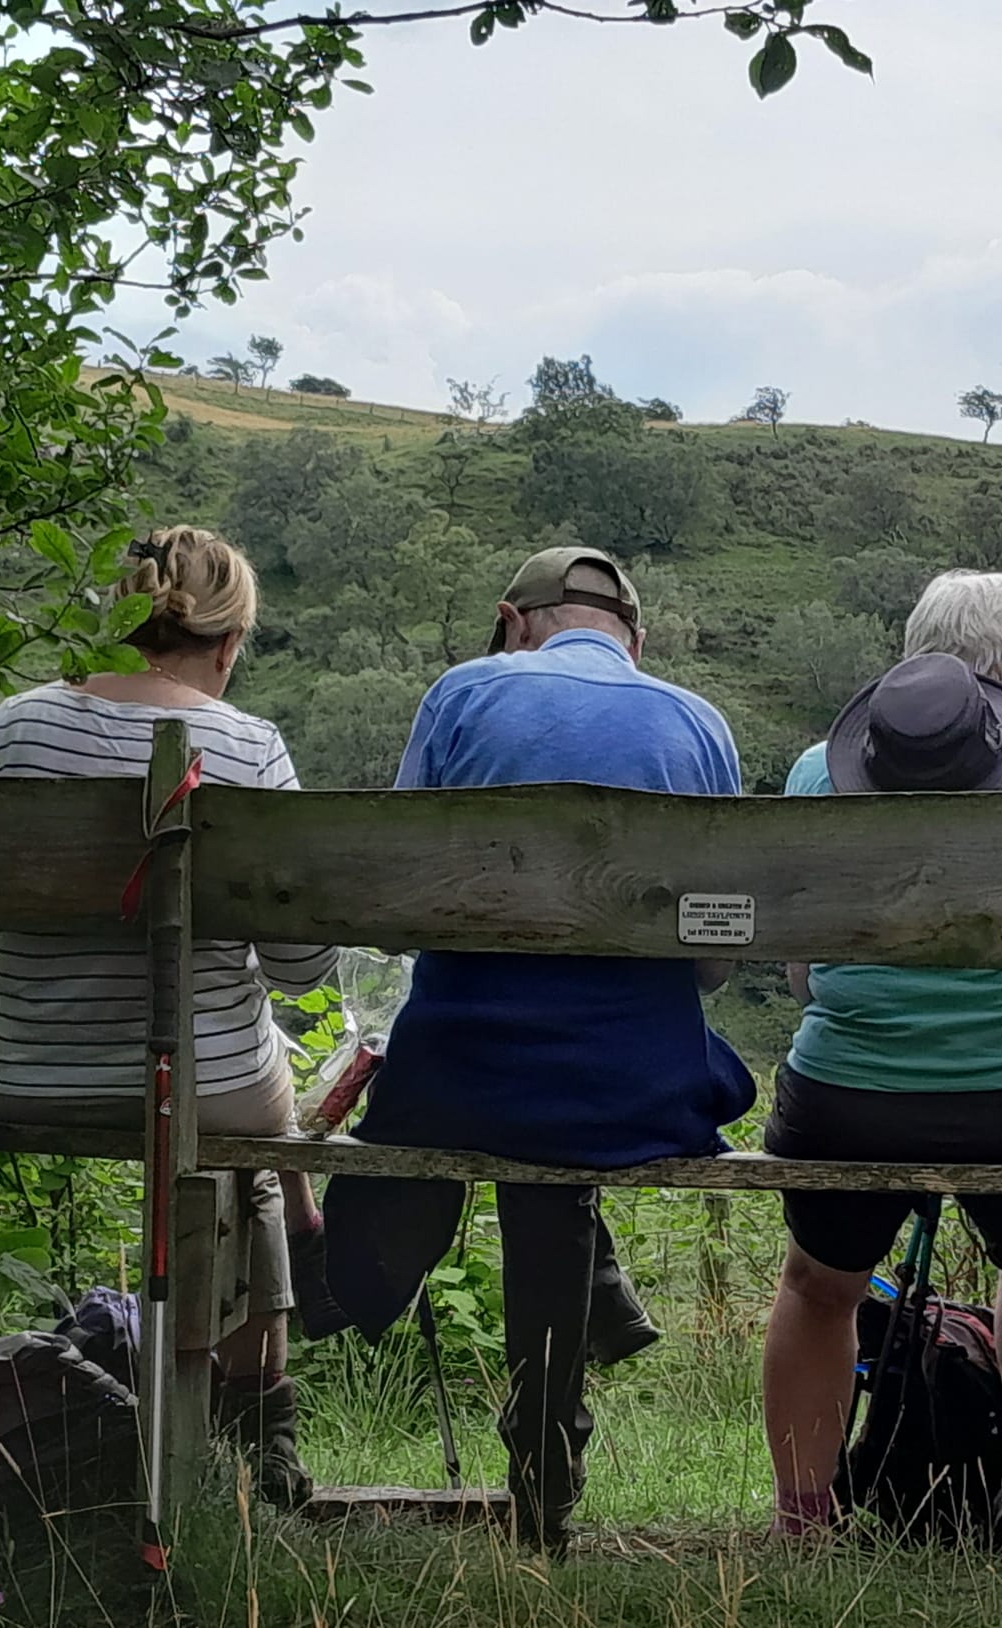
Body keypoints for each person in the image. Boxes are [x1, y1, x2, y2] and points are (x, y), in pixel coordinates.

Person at [320, 544, 754, 1553]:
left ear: (514, 622)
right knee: (563, 1130)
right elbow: (714, 968)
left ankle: (345, 1300)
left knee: (487, 1076)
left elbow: (396, 901)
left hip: (459, 1078)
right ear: (633, 641)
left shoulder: (463, 692)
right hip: (635, 1091)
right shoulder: (697, 720)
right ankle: (547, 1457)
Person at [0, 526, 338, 1508]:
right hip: (207, 1080)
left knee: (239, 1127)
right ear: (228, 645)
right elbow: (306, 967)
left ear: (119, 614)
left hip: (27, 1067)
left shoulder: (14, 726)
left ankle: (202, 1430)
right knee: (257, 1155)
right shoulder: (248, 745)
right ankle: (260, 1426)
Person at [759, 570, 1002, 1562]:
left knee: (816, 1282)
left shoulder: (813, 769)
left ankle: (801, 1522)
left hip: (840, 1097)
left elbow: (803, 973)